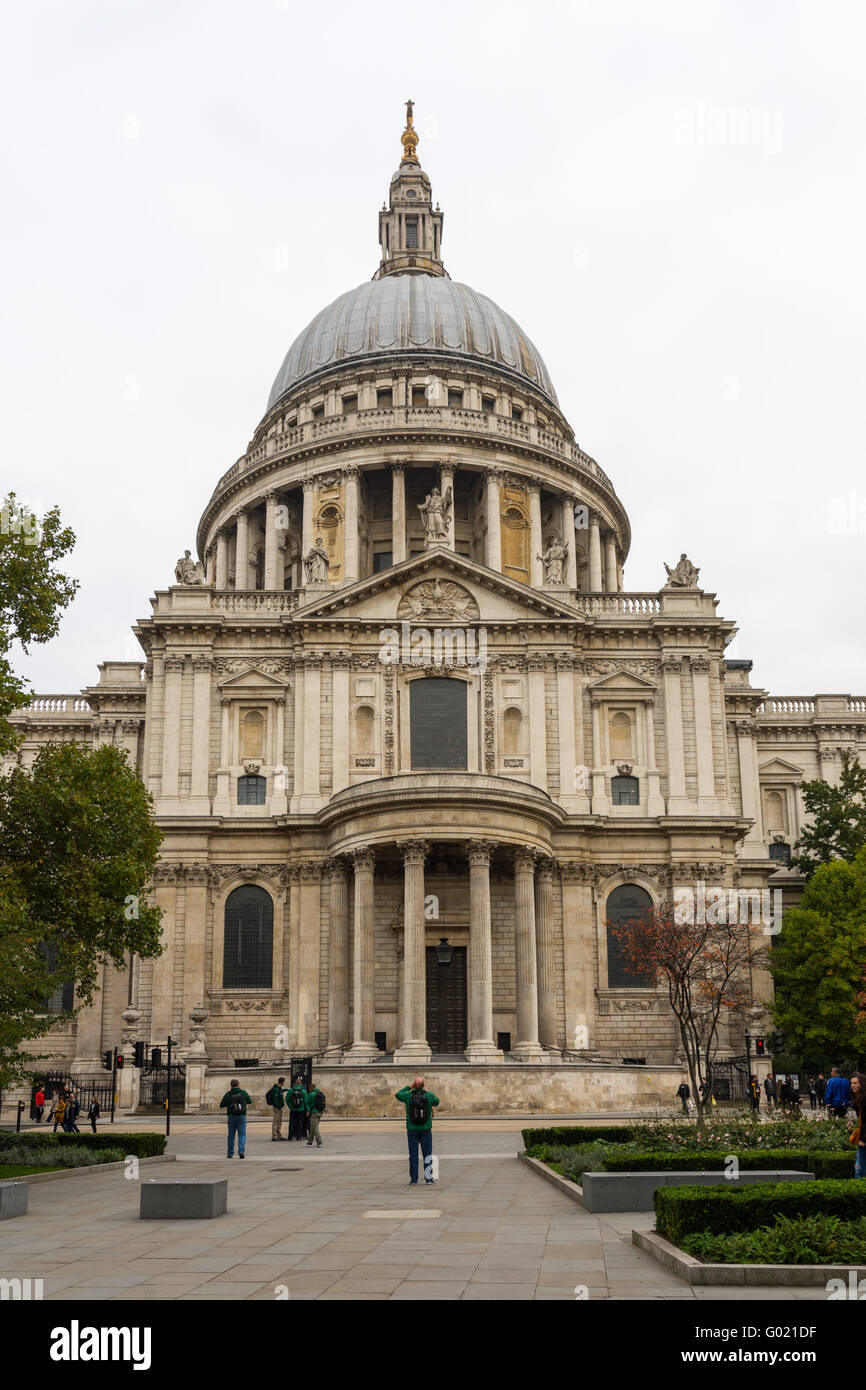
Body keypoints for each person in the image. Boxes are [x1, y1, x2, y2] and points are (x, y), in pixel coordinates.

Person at [395, 1078, 440, 1185]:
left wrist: (409, 1087)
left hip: (412, 1130)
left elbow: (398, 1094)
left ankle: (414, 1180)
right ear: (424, 1085)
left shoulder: (407, 1096)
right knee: (427, 1154)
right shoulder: (429, 1095)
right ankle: (428, 1179)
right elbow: (437, 1102)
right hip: (426, 1129)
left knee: (413, 1154)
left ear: (414, 1085)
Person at [219, 1078, 252, 1158]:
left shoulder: (228, 1094)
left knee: (231, 1135)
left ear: (231, 1085)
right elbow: (249, 1101)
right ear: (238, 1084)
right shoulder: (243, 1093)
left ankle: (230, 1153)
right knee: (242, 1134)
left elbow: (221, 1105)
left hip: (231, 1116)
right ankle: (241, 1151)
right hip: (241, 1115)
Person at [850, 1073, 866, 1179]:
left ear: (862, 1085)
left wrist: (864, 1139)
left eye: (855, 1083)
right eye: (851, 1083)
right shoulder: (859, 1099)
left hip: (864, 1139)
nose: (852, 1085)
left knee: (859, 1168)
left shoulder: (864, 1101)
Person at [305, 1081, 326, 1148]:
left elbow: (306, 1103)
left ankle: (319, 1141)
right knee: (312, 1127)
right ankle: (310, 1141)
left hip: (314, 1113)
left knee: (315, 1127)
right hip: (320, 1112)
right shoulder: (320, 1093)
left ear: (310, 1088)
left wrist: (308, 1110)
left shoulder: (311, 1094)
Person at [268, 1076, 286, 1142]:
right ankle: (274, 1136)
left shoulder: (279, 1088)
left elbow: (281, 1091)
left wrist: (287, 1089)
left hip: (279, 1108)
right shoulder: (276, 1089)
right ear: (282, 1082)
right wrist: (279, 1107)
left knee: (279, 1122)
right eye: (284, 1082)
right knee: (276, 1122)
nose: (284, 1083)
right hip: (277, 1108)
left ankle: (279, 1135)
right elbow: (275, 1100)